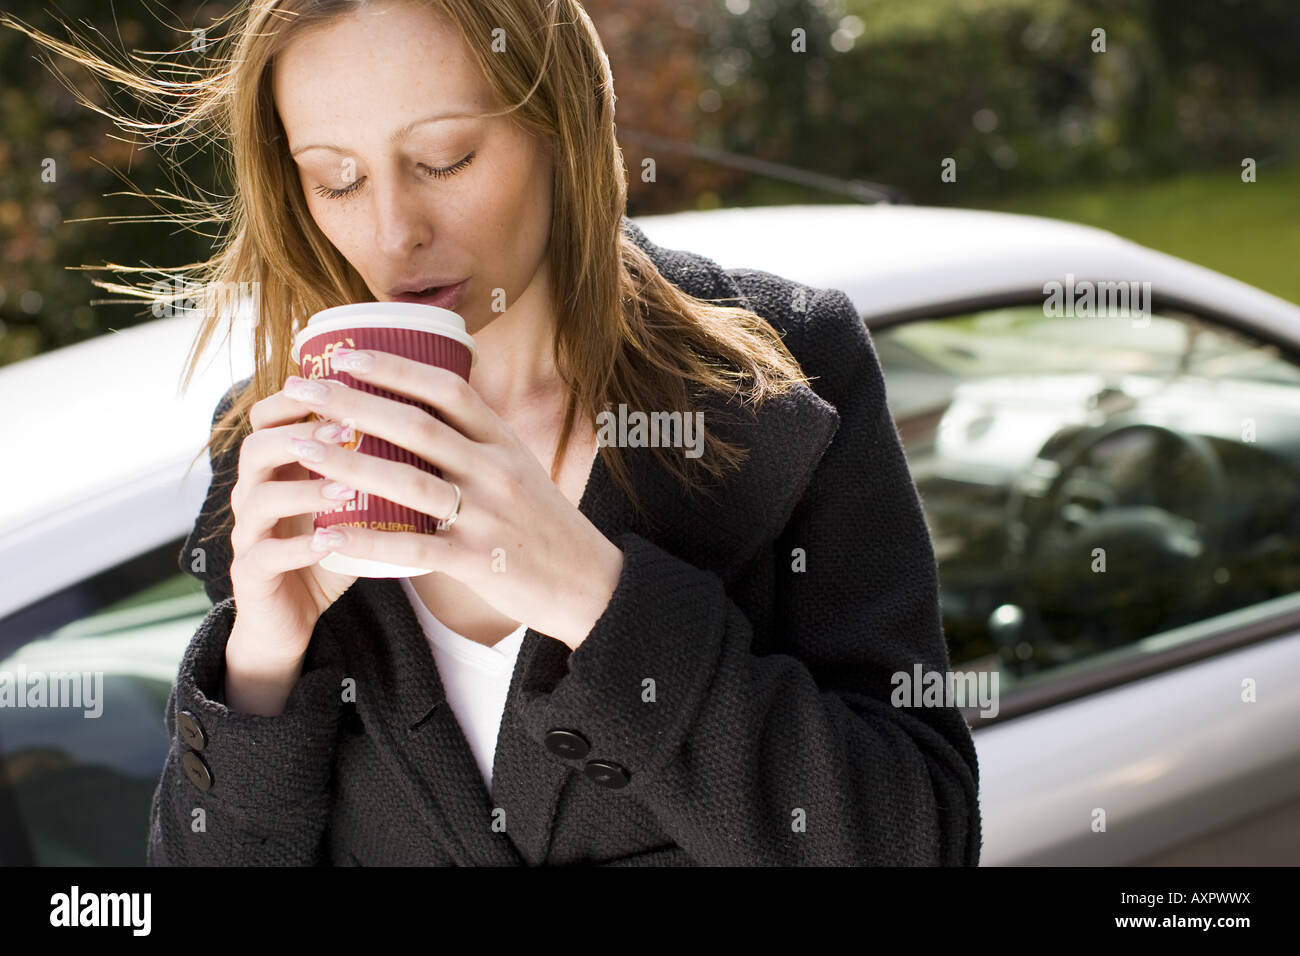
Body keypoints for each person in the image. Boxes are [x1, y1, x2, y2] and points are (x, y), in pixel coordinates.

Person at [5, 0, 981, 865]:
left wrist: (595, 597)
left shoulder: (786, 371)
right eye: (335, 177)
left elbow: (916, 833)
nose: (393, 232)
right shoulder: (282, 437)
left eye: (444, 158)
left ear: (563, 126)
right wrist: (260, 661)